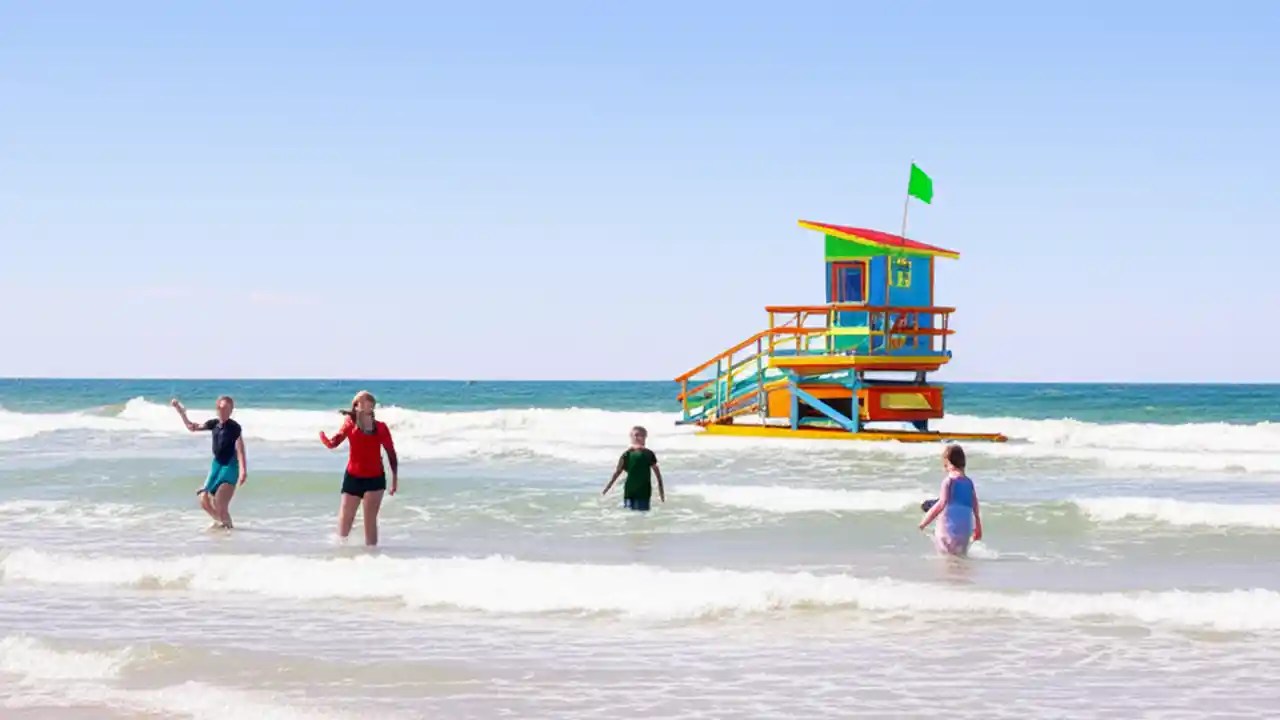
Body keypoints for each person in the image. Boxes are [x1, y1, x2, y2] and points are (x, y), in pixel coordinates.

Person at [319, 391, 398, 546]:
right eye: (359, 402)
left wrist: (394, 480)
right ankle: (341, 557)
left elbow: (391, 453)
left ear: (371, 406)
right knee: (344, 524)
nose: (363, 404)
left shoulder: (381, 428)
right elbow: (333, 443)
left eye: (367, 401)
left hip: (375, 479)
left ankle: (372, 559)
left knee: (370, 522)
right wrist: (323, 437)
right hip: (353, 477)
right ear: (356, 406)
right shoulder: (350, 424)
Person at [171, 396, 246, 529]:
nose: (223, 411)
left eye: (227, 409)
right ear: (217, 408)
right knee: (203, 499)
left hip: (230, 466)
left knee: (220, 503)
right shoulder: (214, 424)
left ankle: (227, 529)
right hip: (216, 465)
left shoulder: (234, 428)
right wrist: (181, 412)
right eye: (221, 408)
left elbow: (240, 448)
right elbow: (192, 427)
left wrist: (243, 470)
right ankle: (222, 523)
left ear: (231, 410)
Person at [918, 444, 982, 556]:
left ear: (948, 463)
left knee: (946, 560)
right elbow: (975, 505)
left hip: (948, 529)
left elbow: (941, 504)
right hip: (965, 530)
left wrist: (924, 522)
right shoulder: (969, 482)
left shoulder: (948, 482)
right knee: (960, 558)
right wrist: (978, 526)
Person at [602, 426, 664, 511]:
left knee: (642, 517)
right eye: (634, 435)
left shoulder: (648, 454)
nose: (636, 437)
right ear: (631, 437)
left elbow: (658, 475)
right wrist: (607, 488)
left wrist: (661, 493)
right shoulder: (627, 454)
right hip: (629, 492)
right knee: (629, 516)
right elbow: (617, 473)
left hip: (643, 493)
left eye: (639, 435)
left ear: (645, 437)